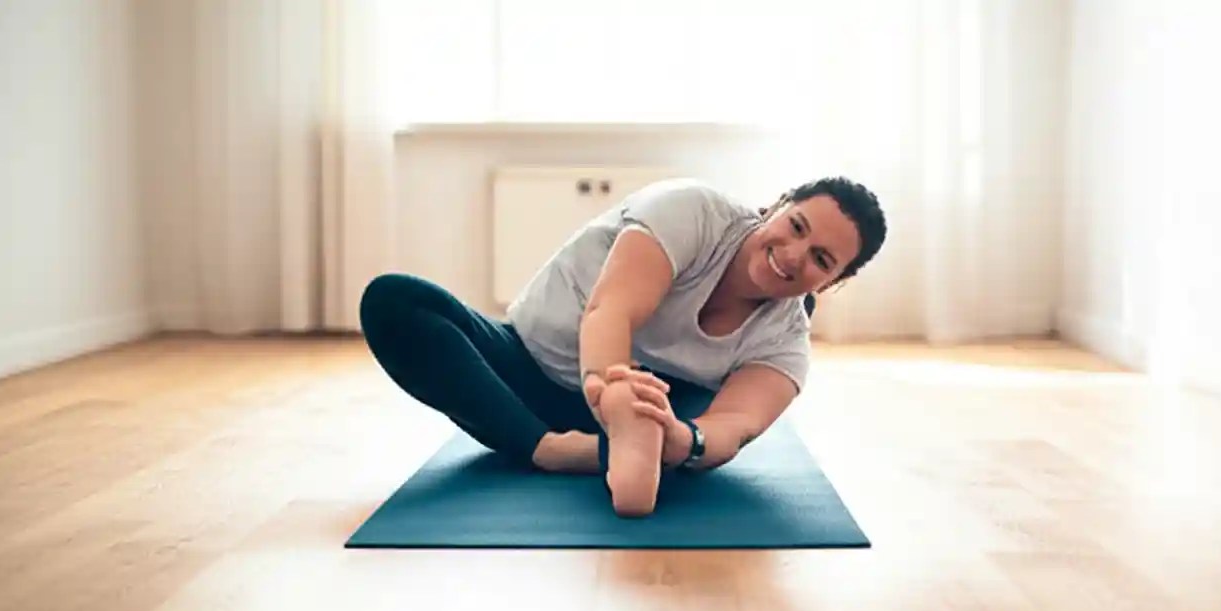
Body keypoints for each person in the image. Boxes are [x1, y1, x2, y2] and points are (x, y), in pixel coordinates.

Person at [359, 176, 886, 517]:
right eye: (795, 226)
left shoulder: (787, 342)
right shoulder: (691, 210)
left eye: (821, 260)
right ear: (775, 205)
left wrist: (686, 440)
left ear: (832, 283)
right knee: (395, 301)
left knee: (687, 424)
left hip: (654, 408)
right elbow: (612, 309)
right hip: (533, 366)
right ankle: (553, 449)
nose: (793, 256)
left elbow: (736, 423)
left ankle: (631, 444)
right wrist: (607, 384)